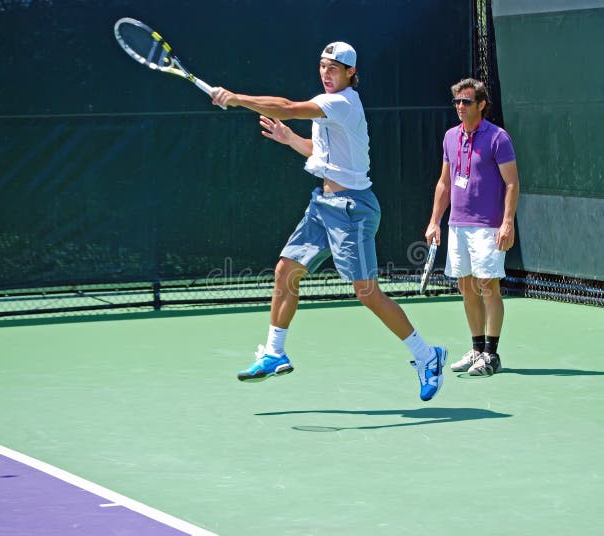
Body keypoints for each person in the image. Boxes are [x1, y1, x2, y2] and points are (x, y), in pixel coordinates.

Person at [210, 42, 447, 401]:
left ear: (351, 73)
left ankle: (427, 356)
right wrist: (291, 140)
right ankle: (275, 352)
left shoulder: (343, 103)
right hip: (323, 205)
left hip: (352, 209)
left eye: (334, 68)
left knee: (367, 293)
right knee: (285, 270)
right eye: (322, 66)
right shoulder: (327, 106)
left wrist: (236, 98)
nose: (326, 73)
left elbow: (287, 108)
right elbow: (322, 155)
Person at [424, 78, 519, 376]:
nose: (460, 107)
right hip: (458, 225)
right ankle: (477, 348)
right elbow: (445, 182)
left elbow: (512, 183)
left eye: (466, 102)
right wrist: (434, 221)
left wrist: (507, 222)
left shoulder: (498, 138)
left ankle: (492, 354)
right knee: (466, 287)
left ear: (481, 105)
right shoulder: (450, 137)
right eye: (456, 102)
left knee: (488, 286)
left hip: (488, 227)